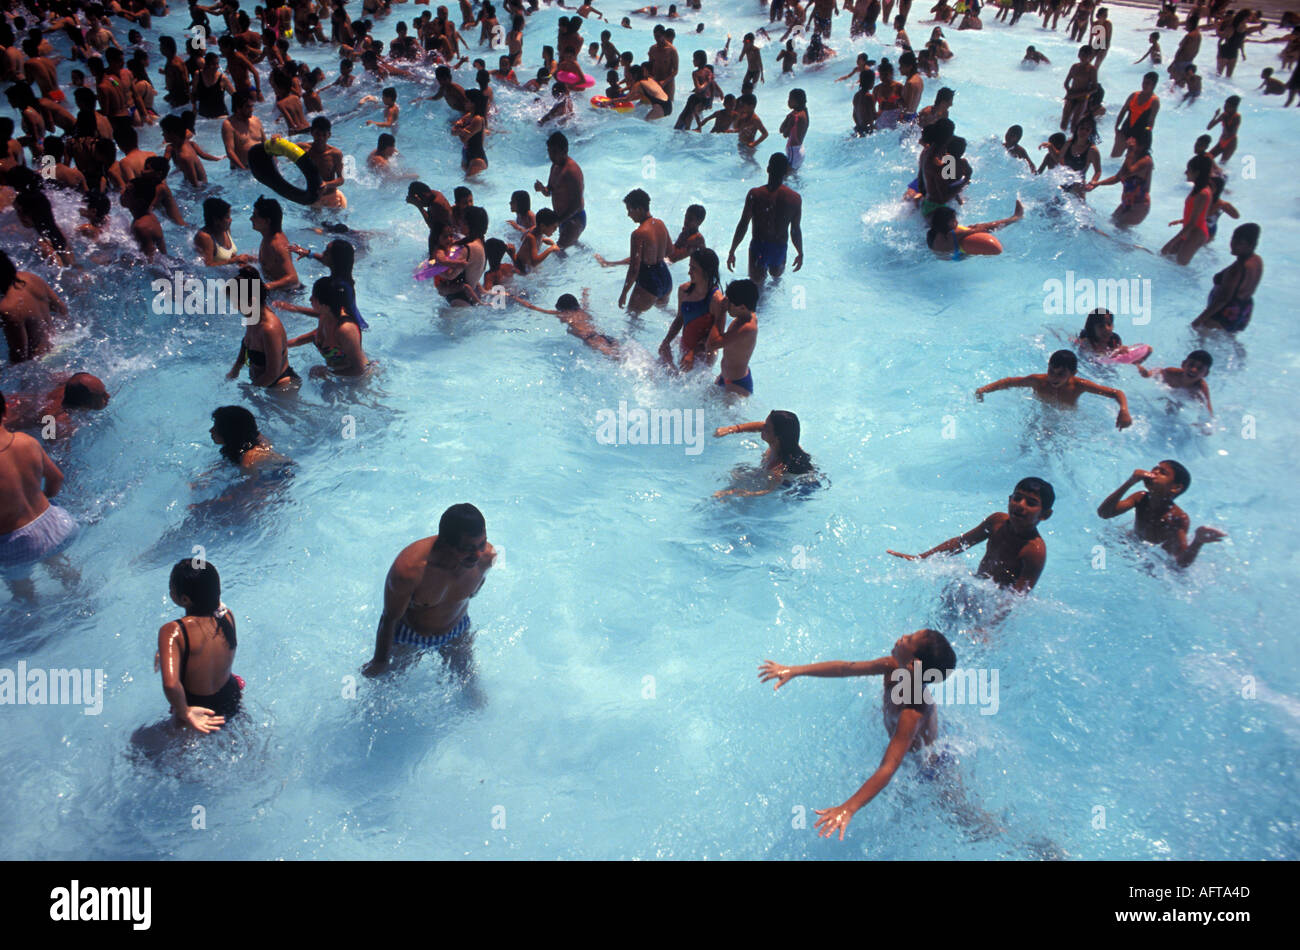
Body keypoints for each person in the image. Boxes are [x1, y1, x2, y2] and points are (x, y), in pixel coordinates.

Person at [757, 628, 958, 839]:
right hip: (904, 739)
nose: (902, 638)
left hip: (927, 765)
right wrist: (795, 670)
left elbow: (889, 767)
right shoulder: (892, 666)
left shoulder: (912, 713)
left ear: (913, 665)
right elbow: (844, 668)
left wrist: (848, 808)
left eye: (909, 639)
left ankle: (981, 828)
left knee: (953, 810)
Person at [363, 503, 495, 683]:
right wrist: (380, 661)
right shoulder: (410, 570)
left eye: (482, 544)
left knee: (471, 685)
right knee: (383, 684)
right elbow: (390, 618)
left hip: (456, 629)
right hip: (410, 635)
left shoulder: (486, 558)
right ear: (446, 543)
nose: (478, 555)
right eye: (468, 548)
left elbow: (472, 593)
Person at [886, 477, 1054, 594]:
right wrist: (921, 558)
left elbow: (1017, 597)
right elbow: (961, 543)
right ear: (1010, 499)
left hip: (995, 599)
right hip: (977, 583)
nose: (1020, 505)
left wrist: (987, 626)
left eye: (1031, 503)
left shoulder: (1034, 551)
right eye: (1017, 498)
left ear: (1045, 515)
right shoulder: (997, 521)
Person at [153, 558, 244, 733]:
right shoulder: (228, 616)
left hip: (197, 707)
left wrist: (185, 712)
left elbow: (171, 685)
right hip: (230, 695)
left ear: (184, 599)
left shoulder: (172, 631)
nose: (170, 592)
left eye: (171, 589)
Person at [0, 388, 78, 574]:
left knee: (22, 586)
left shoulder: (47, 411)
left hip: (17, 544)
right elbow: (57, 478)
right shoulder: (27, 440)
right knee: (56, 560)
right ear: (5, 409)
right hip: (59, 525)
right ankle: (76, 584)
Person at [1096, 462, 1225, 567]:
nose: (1154, 473)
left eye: (1162, 472)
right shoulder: (1140, 498)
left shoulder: (1178, 518)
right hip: (1135, 546)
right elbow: (1104, 513)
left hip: (1159, 562)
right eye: (1154, 469)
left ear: (1176, 488)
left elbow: (1181, 562)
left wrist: (1198, 541)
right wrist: (1130, 482)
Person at [975, 349, 1132, 430]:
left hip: (1067, 419)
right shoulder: (1038, 381)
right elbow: (1009, 382)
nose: (1053, 378)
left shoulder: (1079, 386)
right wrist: (984, 390)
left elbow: (1116, 393)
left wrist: (1123, 410)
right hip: (1041, 413)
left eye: (1061, 374)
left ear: (1073, 373)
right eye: (1051, 371)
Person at [727, 153, 803, 284]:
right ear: (786, 172)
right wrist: (800, 252)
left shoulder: (755, 194)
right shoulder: (795, 198)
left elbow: (743, 224)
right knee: (776, 282)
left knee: (757, 286)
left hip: (759, 247)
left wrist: (732, 250)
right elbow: (795, 230)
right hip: (779, 248)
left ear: (768, 169)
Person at [713, 409, 814, 497]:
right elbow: (760, 425)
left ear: (777, 437)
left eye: (766, 428)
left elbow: (768, 491)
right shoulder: (786, 442)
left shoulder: (777, 468)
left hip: (798, 486)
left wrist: (735, 492)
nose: (762, 429)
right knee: (739, 471)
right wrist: (733, 429)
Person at [227, 267, 298, 388]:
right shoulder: (253, 316)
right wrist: (236, 369)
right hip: (261, 382)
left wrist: (251, 389)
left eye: (236, 303)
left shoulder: (269, 329)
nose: (235, 307)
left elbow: (272, 373)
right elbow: (246, 342)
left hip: (281, 386)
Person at [284, 277, 369, 375]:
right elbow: (309, 337)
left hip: (358, 380)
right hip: (338, 375)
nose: (310, 299)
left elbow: (360, 370)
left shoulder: (345, 329)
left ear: (325, 305)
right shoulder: (325, 316)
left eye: (314, 297)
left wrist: (328, 373)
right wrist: (282, 346)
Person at [607, 188, 672, 313]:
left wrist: (624, 293)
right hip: (665, 277)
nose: (628, 215)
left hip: (649, 281)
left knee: (632, 317)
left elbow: (634, 268)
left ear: (639, 209)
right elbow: (670, 251)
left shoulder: (638, 233)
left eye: (630, 210)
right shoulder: (660, 224)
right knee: (666, 312)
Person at [660, 247, 723, 370]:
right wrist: (666, 342)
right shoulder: (683, 290)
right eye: (689, 267)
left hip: (704, 355)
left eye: (693, 268)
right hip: (685, 347)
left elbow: (716, 337)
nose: (689, 272)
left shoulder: (716, 300)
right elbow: (679, 319)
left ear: (706, 271)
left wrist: (693, 352)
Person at [1192, 223, 1262, 333]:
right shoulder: (1257, 261)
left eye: (1240, 243)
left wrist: (1199, 320)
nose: (1234, 245)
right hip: (1244, 310)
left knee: (1200, 336)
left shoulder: (1238, 269)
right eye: (1233, 239)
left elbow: (1223, 299)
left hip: (1226, 311)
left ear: (1251, 245)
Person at [0, 249, 67, 363]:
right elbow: (62, 310)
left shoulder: (8, 308)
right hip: (60, 342)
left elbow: (20, 357)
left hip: (42, 363)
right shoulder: (29, 278)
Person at [705, 279, 759, 397]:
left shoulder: (747, 328)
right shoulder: (745, 315)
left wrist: (721, 312)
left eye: (729, 303)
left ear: (742, 307)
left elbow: (711, 345)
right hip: (725, 377)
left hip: (737, 385)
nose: (726, 305)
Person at [534, 131, 586, 247]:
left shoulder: (572, 171)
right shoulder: (555, 166)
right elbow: (549, 191)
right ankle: (588, 252)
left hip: (574, 220)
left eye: (554, 152)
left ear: (565, 151)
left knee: (559, 250)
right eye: (549, 152)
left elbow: (577, 203)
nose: (551, 156)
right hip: (561, 219)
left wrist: (558, 221)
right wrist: (542, 189)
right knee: (569, 245)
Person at [1161, 154, 1214, 266]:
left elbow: (1193, 222)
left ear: (1197, 173)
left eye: (1188, 170)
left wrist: (1171, 242)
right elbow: (1199, 214)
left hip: (1196, 232)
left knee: (1180, 265)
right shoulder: (1199, 189)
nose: (1185, 173)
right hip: (1191, 229)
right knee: (1167, 257)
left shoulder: (1203, 193)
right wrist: (1181, 220)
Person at [925, 201, 1023, 259]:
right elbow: (984, 229)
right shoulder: (953, 235)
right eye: (954, 220)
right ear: (948, 223)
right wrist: (974, 228)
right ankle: (1015, 217)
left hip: (943, 257)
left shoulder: (931, 233)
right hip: (958, 257)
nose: (957, 222)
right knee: (982, 227)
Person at [209, 405, 289, 472]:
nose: (211, 430)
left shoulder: (248, 460)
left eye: (216, 428)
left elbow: (247, 486)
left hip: (284, 473)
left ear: (229, 433)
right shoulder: (252, 437)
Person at [1137, 350, 1213, 416]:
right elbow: (1157, 372)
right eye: (1191, 365)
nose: (1193, 370)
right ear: (1183, 364)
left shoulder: (1201, 389)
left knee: (1172, 411)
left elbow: (1207, 410)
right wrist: (1147, 374)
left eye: (1199, 368)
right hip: (1169, 392)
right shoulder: (1172, 373)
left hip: (1183, 399)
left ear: (1206, 373)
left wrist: (1203, 424)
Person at [779, 89, 809, 171]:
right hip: (799, 149)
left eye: (790, 99)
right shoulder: (804, 112)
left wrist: (788, 118)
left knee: (786, 174)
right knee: (794, 175)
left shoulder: (795, 117)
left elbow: (784, 133)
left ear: (796, 102)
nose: (788, 101)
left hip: (793, 151)